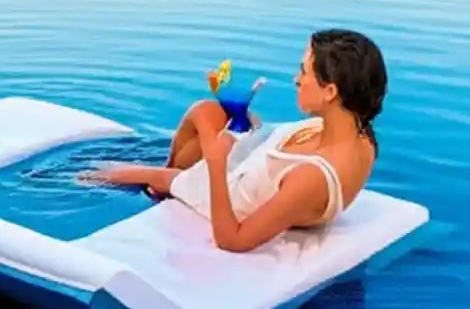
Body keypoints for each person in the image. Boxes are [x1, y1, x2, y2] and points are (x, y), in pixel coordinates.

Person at [84, 29, 387, 252]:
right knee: (210, 110)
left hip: (224, 189)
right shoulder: (358, 134)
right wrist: (247, 121)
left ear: (330, 92)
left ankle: (155, 183)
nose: (296, 79)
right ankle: (170, 173)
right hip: (246, 165)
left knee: (133, 171)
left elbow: (233, 240)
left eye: (303, 71)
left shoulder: (311, 178)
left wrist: (215, 164)